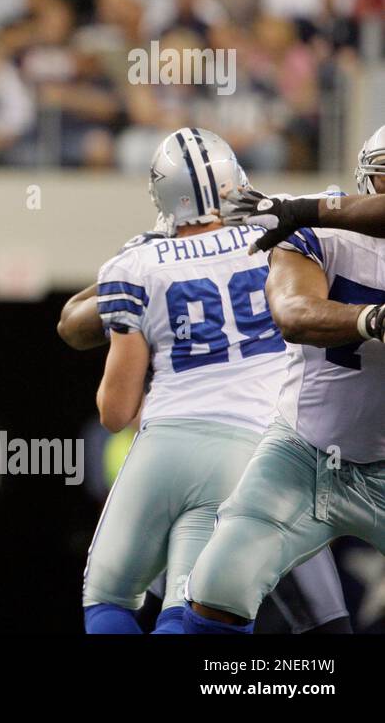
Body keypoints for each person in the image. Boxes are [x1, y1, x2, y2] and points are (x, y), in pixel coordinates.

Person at [81, 128, 331, 633]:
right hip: (253, 449)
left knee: (108, 595)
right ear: (233, 180)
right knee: (190, 603)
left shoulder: (133, 264)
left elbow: (116, 413)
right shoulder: (282, 234)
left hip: (167, 443)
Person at [180, 125, 385, 632]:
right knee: (217, 589)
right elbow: (293, 313)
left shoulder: (313, 211)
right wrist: (372, 320)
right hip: (304, 451)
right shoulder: (324, 228)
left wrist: (307, 206)